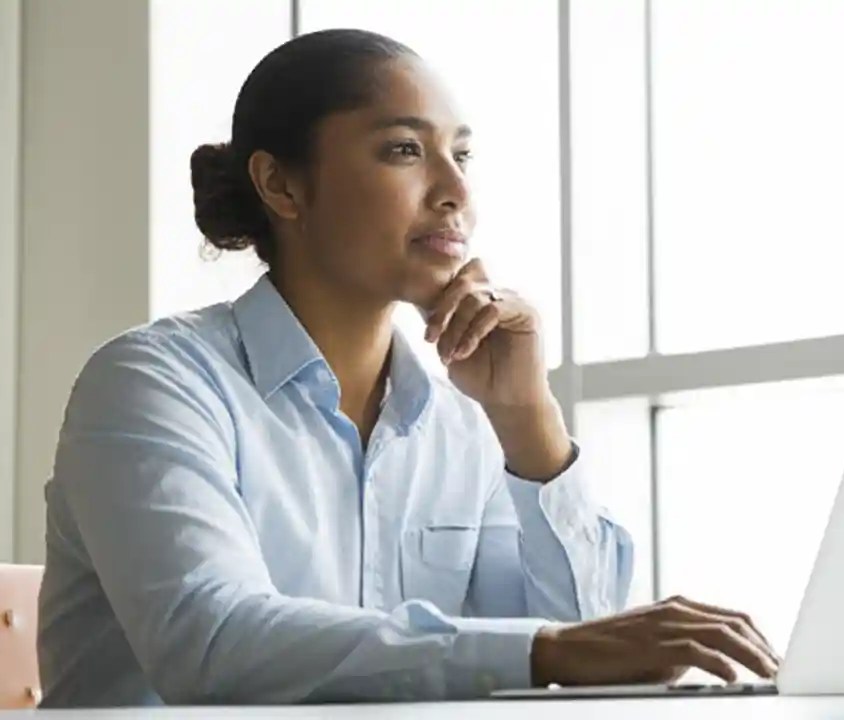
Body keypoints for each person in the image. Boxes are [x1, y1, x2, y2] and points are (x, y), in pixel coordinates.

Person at [35, 29, 778, 706]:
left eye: (461, 154)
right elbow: (211, 642)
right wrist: (554, 650)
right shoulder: (151, 385)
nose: (455, 191)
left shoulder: (463, 424)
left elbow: (580, 650)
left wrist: (528, 420)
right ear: (282, 186)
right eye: (403, 150)